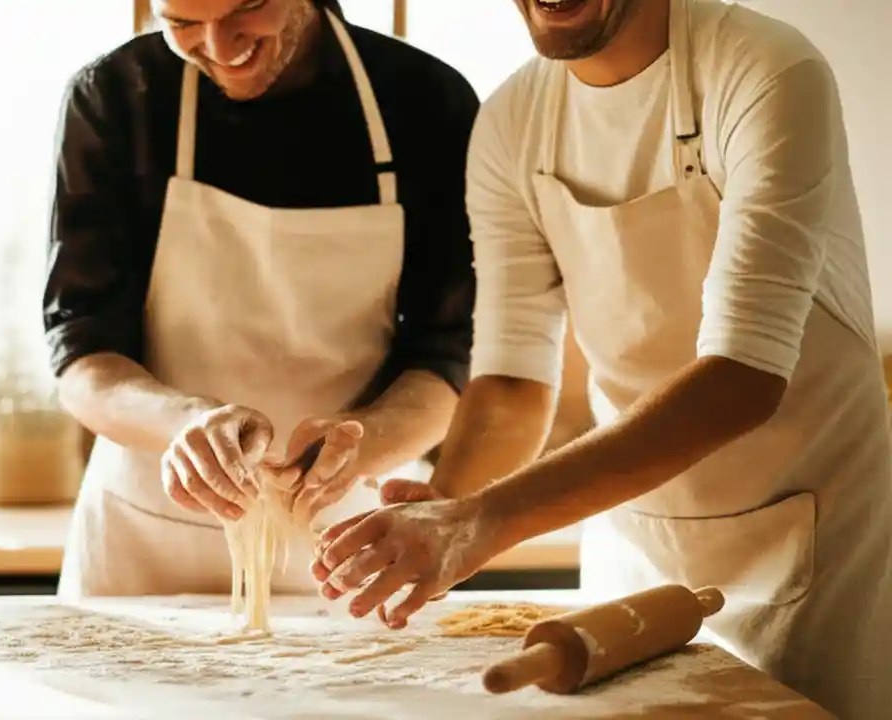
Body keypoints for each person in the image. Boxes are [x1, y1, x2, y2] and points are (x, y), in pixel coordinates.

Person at [313, 0, 892, 716]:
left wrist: (484, 521)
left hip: (806, 550)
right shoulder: (513, 120)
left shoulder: (766, 69)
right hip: (633, 541)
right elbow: (512, 377)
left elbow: (743, 378)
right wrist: (450, 507)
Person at [43, 0, 479, 599]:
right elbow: (82, 358)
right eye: (184, 23)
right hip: (143, 538)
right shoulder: (119, 97)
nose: (220, 50)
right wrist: (185, 424)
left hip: (350, 538)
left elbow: (447, 357)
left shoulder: (425, 102)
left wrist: (365, 441)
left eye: (248, 9)